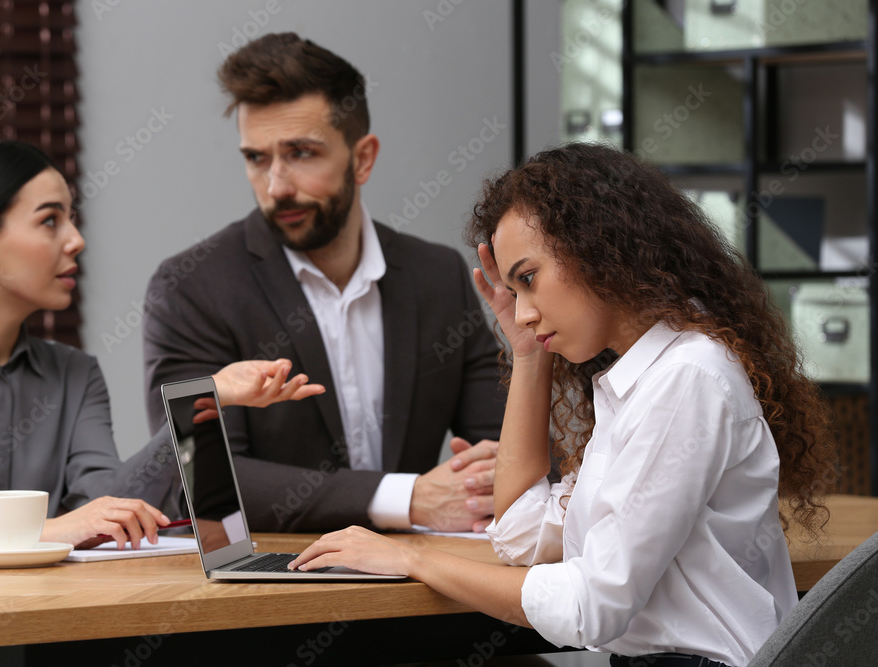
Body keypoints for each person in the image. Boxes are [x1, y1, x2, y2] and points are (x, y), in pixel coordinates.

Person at [290, 143, 835, 667]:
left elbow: (590, 608)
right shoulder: (640, 380)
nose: (522, 311)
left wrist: (410, 558)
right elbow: (521, 533)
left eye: (529, 279)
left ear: (601, 247)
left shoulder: (684, 379)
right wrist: (528, 358)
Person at [0, 139, 322, 558]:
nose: (76, 240)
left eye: (71, 218)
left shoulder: (75, 374)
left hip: (54, 627)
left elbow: (107, 510)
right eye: (50, 220)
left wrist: (205, 396)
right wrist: (36, 533)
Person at [142, 32, 506, 534]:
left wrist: (491, 477)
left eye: (301, 153)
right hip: (273, 602)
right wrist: (407, 499)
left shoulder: (438, 276)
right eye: (257, 158)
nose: (276, 186)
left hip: (422, 596)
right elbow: (200, 476)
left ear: (362, 158)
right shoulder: (192, 288)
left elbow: (506, 448)